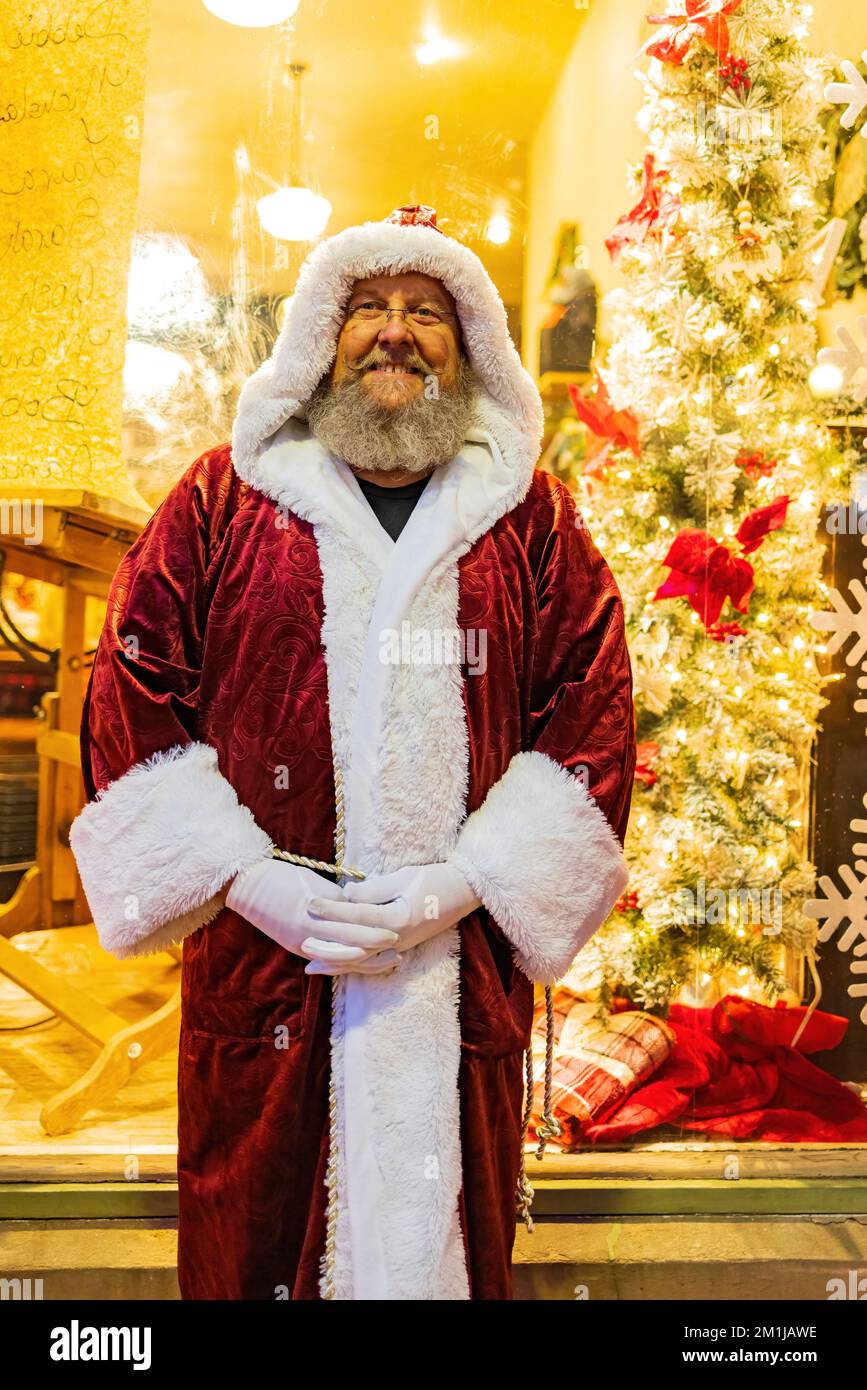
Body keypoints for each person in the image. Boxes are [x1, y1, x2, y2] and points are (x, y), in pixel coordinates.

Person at [70, 203, 637, 1301]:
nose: (395, 330)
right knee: (254, 1244)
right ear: (320, 336)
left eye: (427, 311)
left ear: (466, 345)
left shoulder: (534, 520)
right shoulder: (215, 501)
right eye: (367, 306)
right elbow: (133, 687)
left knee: (448, 1240)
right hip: (265, 967)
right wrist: (246, 878)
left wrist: (464, 882)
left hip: (456, 967)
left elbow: (593, 710)